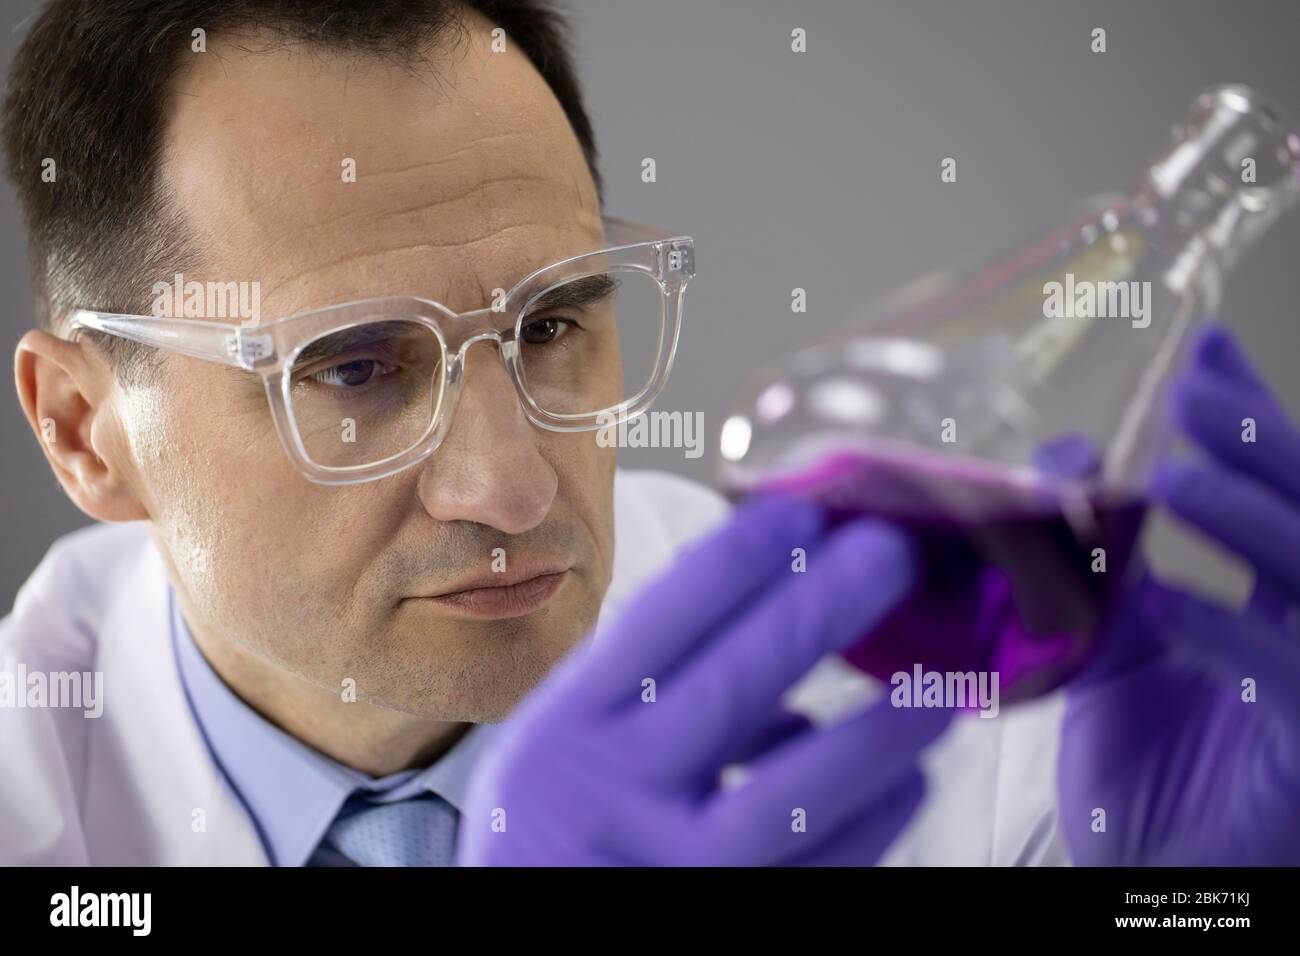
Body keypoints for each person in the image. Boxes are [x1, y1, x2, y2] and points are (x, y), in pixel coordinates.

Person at [2, 0, 1296, 867]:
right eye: (355, 368)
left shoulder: (914, 681)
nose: (513, 487)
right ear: (83, 431)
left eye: (556, 323)